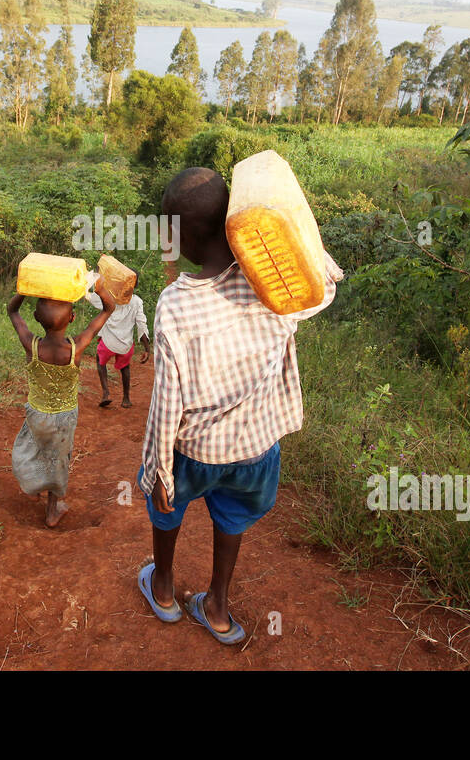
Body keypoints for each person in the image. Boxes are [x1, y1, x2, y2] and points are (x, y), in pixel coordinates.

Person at [136, 167, 344, 644]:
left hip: (193, 451)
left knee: (166, 509)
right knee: (231, 520)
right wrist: (279, 227)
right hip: (254, 450)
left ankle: (164, 589)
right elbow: (325, 282)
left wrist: (159, 470)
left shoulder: (175, 305)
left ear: (176, 238)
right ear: (232, 219)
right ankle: (217, 606)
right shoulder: (277, 290)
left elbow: (167, 403)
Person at [6, 287, 116, 527]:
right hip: (64, 420)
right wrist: (97, 286)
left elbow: (12, 310)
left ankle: (33, 485)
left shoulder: (31, 345)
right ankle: (52, 510)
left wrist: (26, 286)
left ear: (36, 318)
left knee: (32, 449)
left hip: (36, 415)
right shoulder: (75, 348)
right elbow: (109, 308)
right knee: (58, 461)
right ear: (73, 318)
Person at [83, 268, 151, 408]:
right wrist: (147, 348)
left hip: (107, 342)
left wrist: (92, 278)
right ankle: (126, 399)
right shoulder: (137, 302)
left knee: (100, 362)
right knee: (125, 368)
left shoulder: (109, 297)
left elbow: (89, 296)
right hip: (125, 345)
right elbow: (141, 324)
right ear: (136, 285)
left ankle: (106, 392)